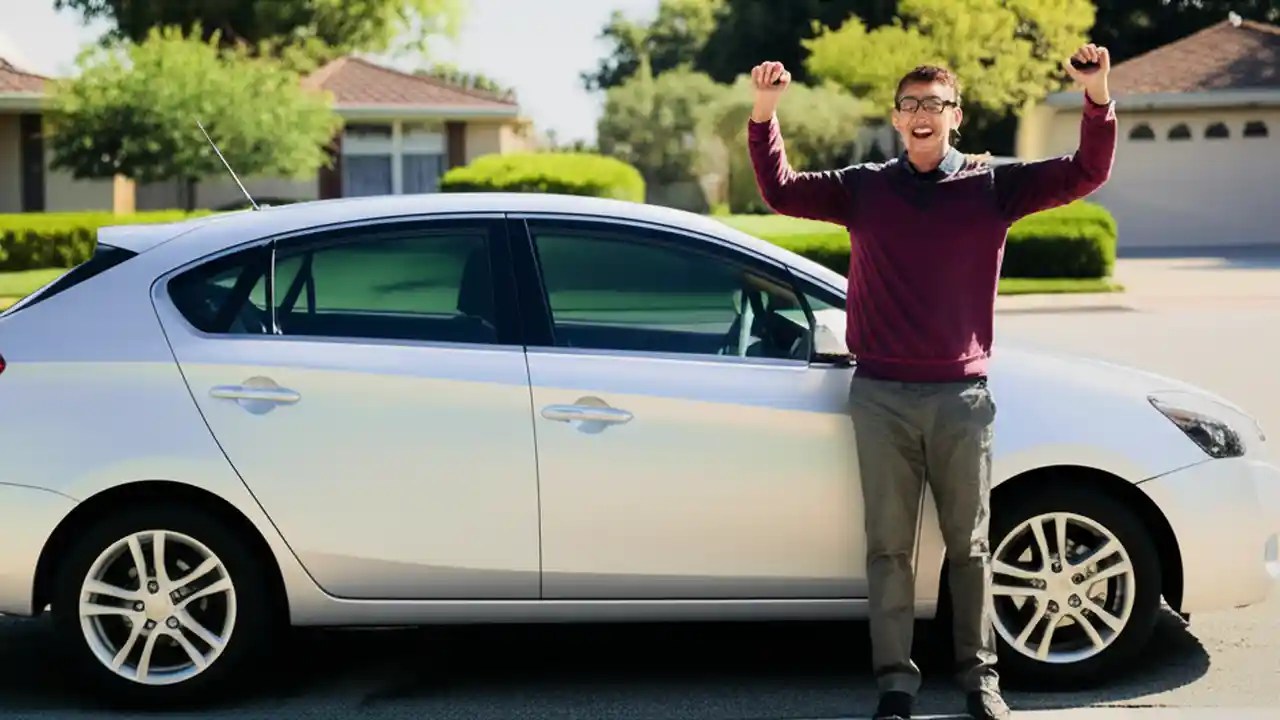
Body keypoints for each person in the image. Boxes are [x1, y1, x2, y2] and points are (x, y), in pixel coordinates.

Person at [745, 45, 1116, 720]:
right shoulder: (865, 187)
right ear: (896, 116)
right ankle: (895, 683)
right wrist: (765, 113)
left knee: (971, 548)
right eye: (910, 104)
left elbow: (1087, 170)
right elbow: (780, 189)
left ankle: (981, 681)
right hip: (881, 396)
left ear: (956, 117)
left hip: (961, 400)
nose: (922, 116)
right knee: (888, 549)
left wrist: (1095, 97)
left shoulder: (992, 185)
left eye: (935, 105)